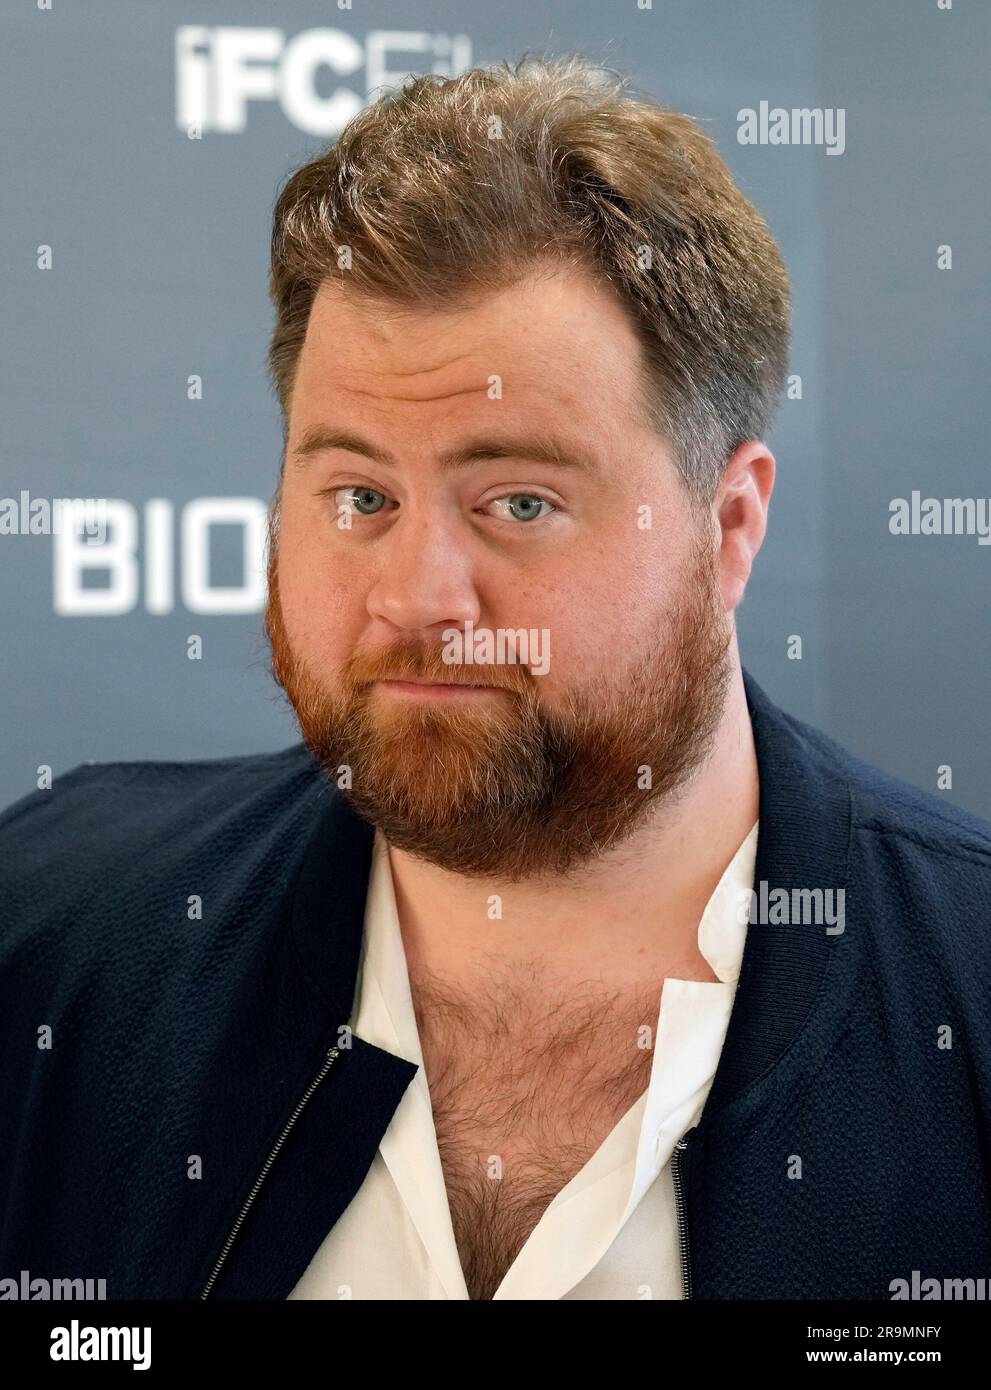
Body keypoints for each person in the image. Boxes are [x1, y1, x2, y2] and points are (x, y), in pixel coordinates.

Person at [2, 55, 990, 1303]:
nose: (418, 598)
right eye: (359, 495)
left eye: (519, 500)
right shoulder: (52, 944)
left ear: (729, 525)